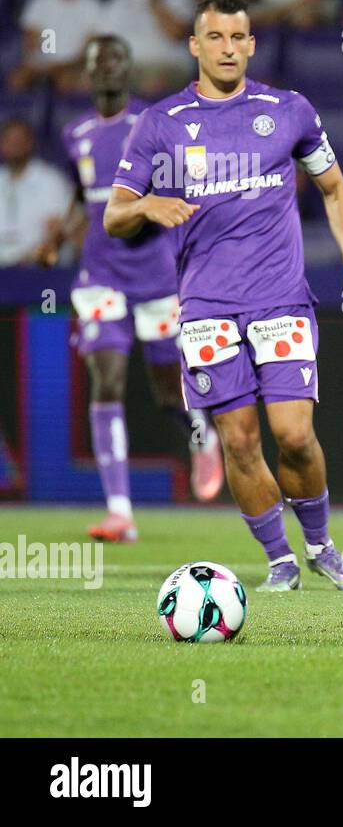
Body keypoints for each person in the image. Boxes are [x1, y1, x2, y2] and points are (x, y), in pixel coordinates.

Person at [104, 0, 343, 592]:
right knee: (238, 439)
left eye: (239, 37)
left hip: (280, 297)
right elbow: (114, 217)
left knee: (295, 435)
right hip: (204, 305)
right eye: (216, 37)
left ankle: (322, 546)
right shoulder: (161, 122)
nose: (228, 47)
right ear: (195, 46)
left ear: (252, 45)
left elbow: (334, 188)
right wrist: (147, 203)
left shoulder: (288, 110)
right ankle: (280, 561)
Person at [51, 36, 223, 542]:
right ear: (86, 72)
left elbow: (189, 180)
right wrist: (56, 237)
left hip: (155, 276)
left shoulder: (153, 124)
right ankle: (120, 511)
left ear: (128, 70)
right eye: (96, 61)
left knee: (169, 390)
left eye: (115, 60)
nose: (105, 68)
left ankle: (200, 437)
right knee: (106, 381)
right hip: (100, 277)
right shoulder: (75, 133)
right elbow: (83, 198)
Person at [9, 0, 102, 94]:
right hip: (42, 64)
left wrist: (64, 66)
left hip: (74, 67)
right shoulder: (39, 1)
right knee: (17, 80)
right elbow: (31, 42)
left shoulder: (93, 4)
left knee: (67, 83)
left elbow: (90, 48)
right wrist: (45, 63)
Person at [0, 118, 73, 266]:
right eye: (10, 140)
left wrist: (35, 255)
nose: (15, 145)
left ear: (30, 143)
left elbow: (60, 229)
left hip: (34, 265)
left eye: (20, 139)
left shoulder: (51, 181)